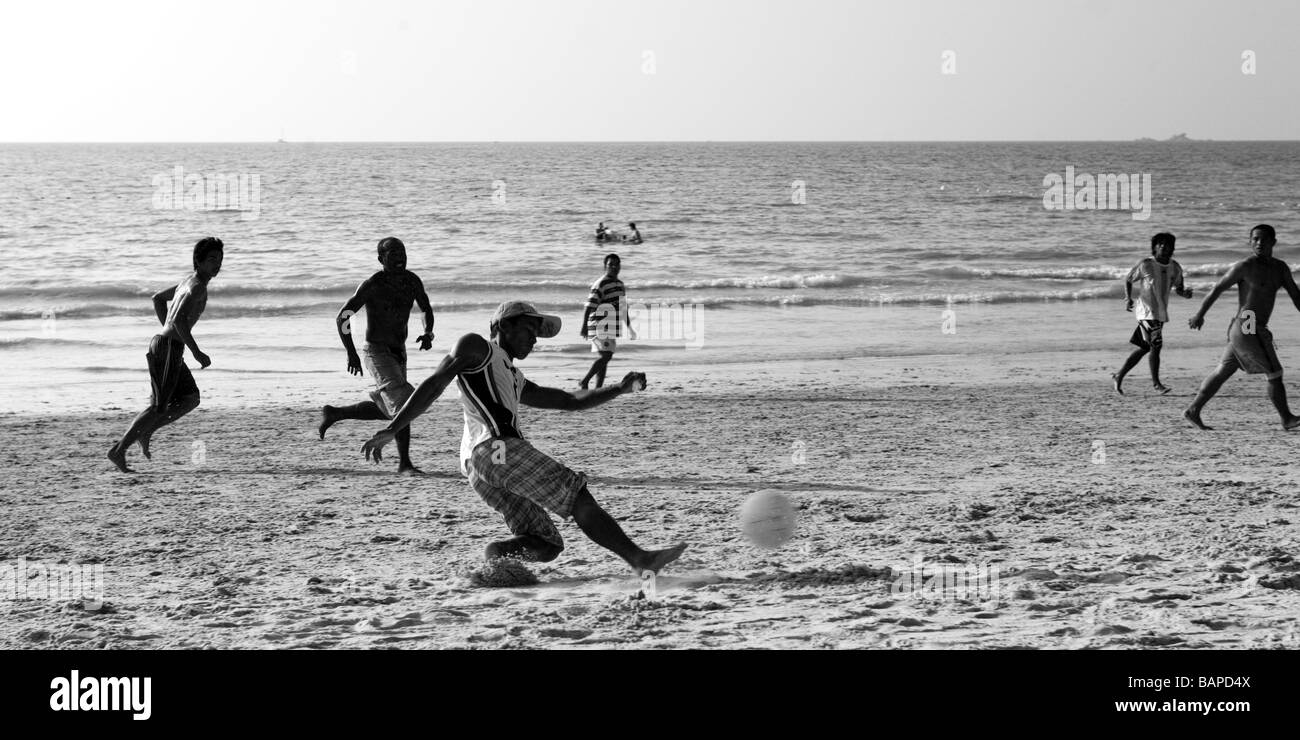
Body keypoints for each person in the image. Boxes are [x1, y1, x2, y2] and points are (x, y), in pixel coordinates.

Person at [361, 301, 687, 575]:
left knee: (546, 543)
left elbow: (568, 400)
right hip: (496, 449)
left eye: (537, 334)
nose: (534, 339)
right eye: (529, 330)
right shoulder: (478, 347)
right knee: (576, 494)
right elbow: (435, 383)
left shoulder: (515, 377)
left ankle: (496, 561)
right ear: (504, 325)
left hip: (481, 469)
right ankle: (640, 559)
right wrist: (394, 426)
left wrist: (618, 388)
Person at [318, 237, 435, 474]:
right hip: (376, 352)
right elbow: (343, 317)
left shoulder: (412, 281)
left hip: (398, 354)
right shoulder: (373, 284)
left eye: (402, 252)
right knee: (403, 403)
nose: (399, 257)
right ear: (381, 259)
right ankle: (405, 464)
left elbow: (425, 308)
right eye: (392, 253)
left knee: (390, 410)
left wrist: (428, 332)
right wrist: (351, 352)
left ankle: (336, 413)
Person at [108, 237, 224, 473]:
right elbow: (179, 319)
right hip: (168, 347)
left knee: (190, 398)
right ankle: (119, 450)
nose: (217, 264)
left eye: (220, 260)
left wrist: (169, 331)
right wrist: (196, 351)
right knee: (158, 407)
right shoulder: (197, 286)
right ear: (198, 261)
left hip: (168, 345)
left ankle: (147, 431)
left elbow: (158, 299)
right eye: (212, 259)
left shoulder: (187, 282)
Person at [1184, 224, 1300, 431]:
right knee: (1274, 373)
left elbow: (1297, 297)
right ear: (1250, 242)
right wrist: (1199, 315)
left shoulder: (1280, 268)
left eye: (1264, 239)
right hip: (1246, 324)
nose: (1259, 243)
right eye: (1255, 239)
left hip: (1253, 327)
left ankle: (1193, 410)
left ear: (1274, 242)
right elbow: (1217, 288)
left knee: (1224, 370)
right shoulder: (1245, 266)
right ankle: (1287, 418)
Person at [1112, 233, 1192, 395]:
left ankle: (1119, 375)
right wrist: (1128, 298)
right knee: (1156, 345)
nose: (1163, 247)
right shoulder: (1146, 264)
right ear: (1154, 247)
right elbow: (1128, 279)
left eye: (1167, 244)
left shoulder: (1175, 267)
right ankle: (1157, 384)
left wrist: (1186, 294)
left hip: (1161, 313)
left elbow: (1179, 289)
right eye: (1160, 244)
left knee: (1145, 348)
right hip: (1146, 311)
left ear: (1172, 248)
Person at [580, 253, 636, 389]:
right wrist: (584, 327)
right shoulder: (600, 283)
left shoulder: (620, 285)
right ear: (605, 266)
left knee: (605, 358)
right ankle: (585, 381)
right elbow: (589, 305)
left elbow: (623, 307)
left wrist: (629, 327)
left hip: (611, 325)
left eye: (617, 264)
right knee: (607, 356)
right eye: (611, 264)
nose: (614, 267)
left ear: (620, 266)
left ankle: (598, 389)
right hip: (599, 324)